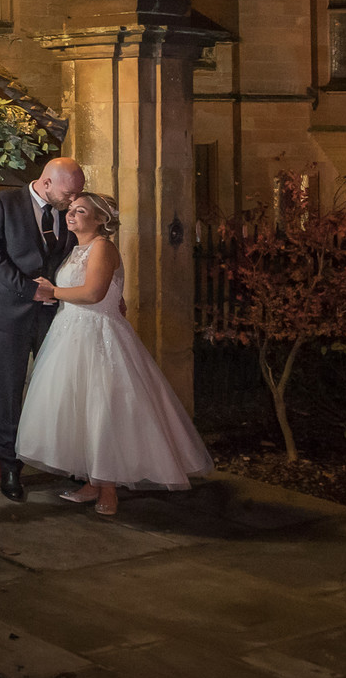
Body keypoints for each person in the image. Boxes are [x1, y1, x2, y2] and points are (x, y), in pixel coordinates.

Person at [15, 192, 212, 516]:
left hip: (99, 336)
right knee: (78, 409)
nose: (71, 215)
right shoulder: (77, 249)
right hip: (70, 333)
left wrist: (52, 291)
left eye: (81, 211)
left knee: (103, 409)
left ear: (100, 220)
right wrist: (55, 293)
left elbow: (93, 293)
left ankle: (109, 489)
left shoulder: (103, 248)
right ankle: (92, 481)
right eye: (72, 209)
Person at [0, 155, 84, 501]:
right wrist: (28, 287)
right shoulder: (3, 203)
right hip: (9, 313)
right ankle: (9, 467)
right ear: (47, 183)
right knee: (8, 392)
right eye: (68, 194)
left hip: (56, 315)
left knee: (58, 388)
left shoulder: (70, 208)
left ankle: (65, 461)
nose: (73, 201)